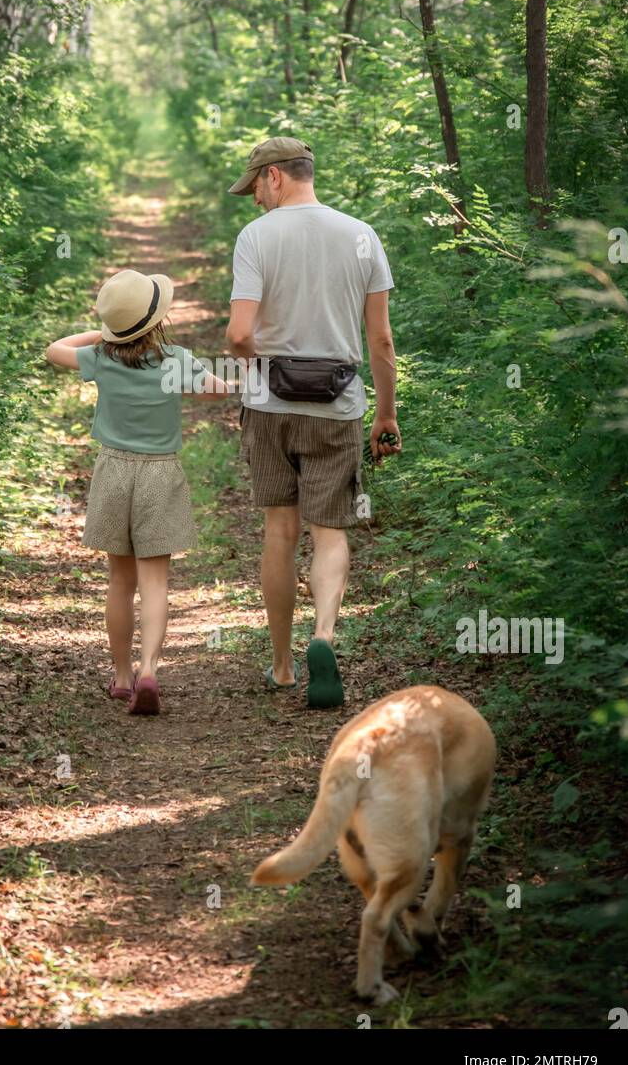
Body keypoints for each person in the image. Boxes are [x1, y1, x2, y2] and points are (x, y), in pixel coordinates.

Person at [225, 136, 401, 708]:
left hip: (270, 406)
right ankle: (322, 636)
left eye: (255, 186)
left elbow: (237, 334)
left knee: (280, 531)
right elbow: (380, 338)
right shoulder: (361, 234)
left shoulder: (257, 237)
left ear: (275, 176)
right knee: (330, 532)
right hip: (338, 403)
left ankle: (280, 666)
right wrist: (386, 411)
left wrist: (266, 370)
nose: (254, 199)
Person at [47, 268, 230, 714]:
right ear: (158, 320)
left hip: (113, 471)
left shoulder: (100, 359)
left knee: (119, 581)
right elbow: (220, 391)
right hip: (159, 475)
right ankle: (149, 668)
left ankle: (123, 676)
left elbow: (54, 351)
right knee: (155, 582)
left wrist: (105, 334)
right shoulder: (175, 361)